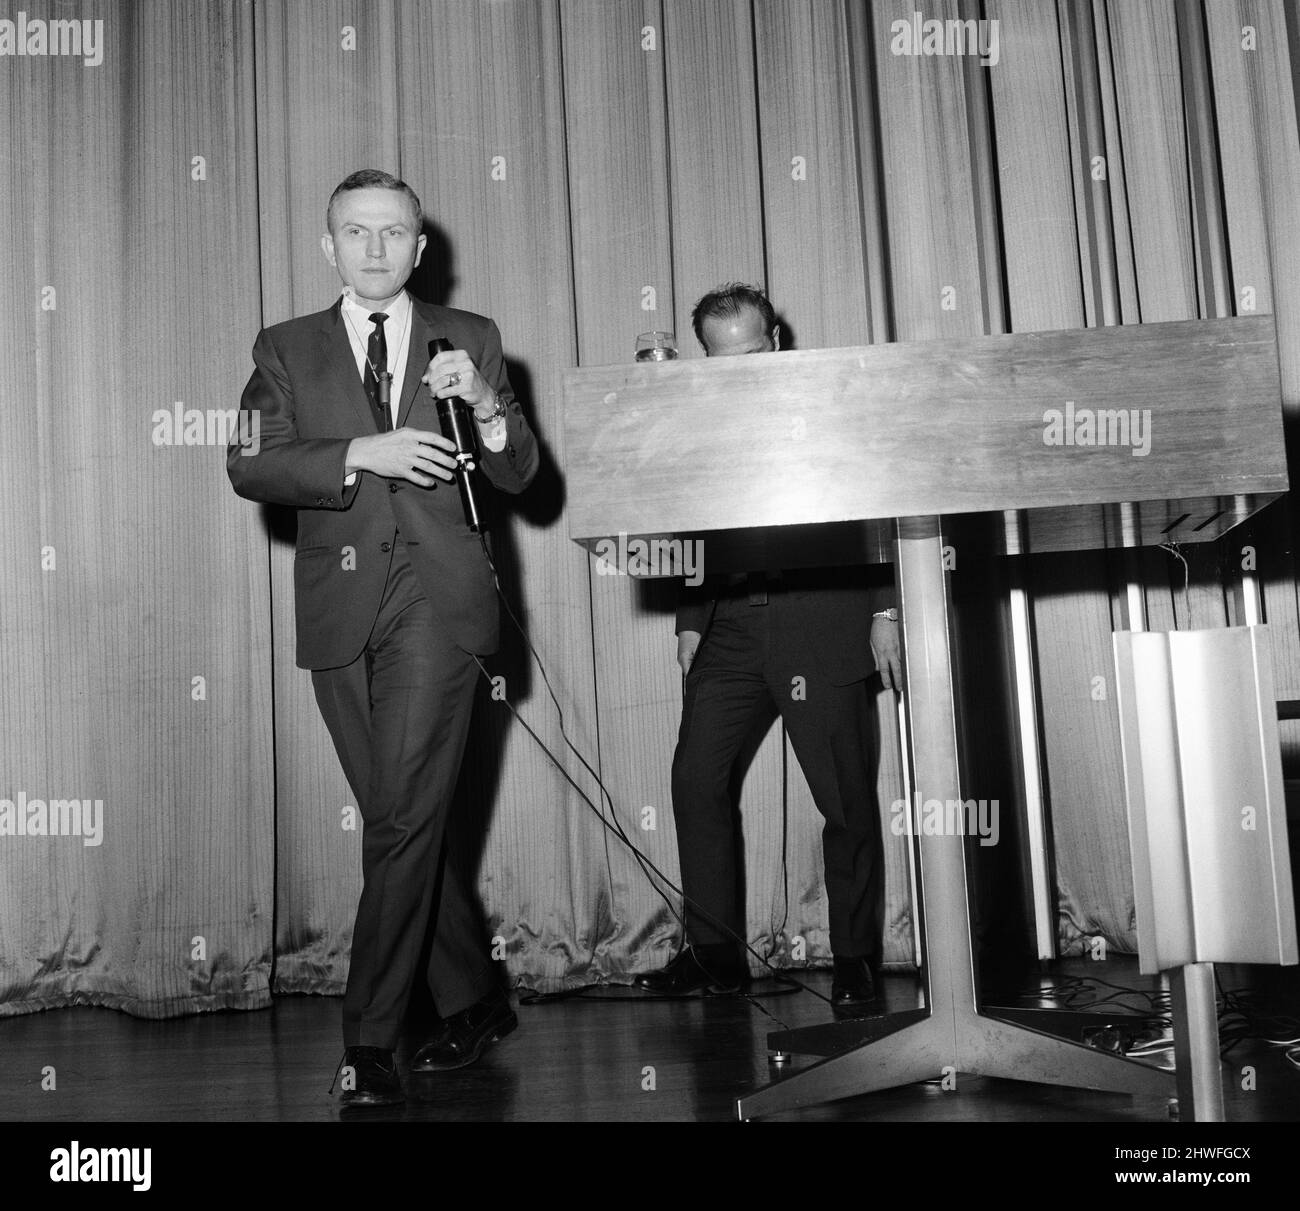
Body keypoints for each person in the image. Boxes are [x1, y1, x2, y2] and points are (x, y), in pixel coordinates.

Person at [228, 169, 538, 1106]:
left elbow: (523, 470)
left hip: (438, 605)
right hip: (341, 607)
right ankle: (476, 995)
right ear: (329, 247)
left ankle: (370, 1040)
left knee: (402, 817)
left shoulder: (471, 336)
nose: (374, 248)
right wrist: (360, 452)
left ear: (419, 246)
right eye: (355, 233)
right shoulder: (283, 347)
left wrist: (486, 404)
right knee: (402, 817)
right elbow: (247, 457)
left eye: (392, 232)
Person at [634, 283, 900, 1017]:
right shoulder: (696, 425)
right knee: (695, 780)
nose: (740, 371)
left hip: (820, 620)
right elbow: (689, 523)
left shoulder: (832, 405)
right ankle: (717, 957)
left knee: (844, 801)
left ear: (776, 342)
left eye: (752, 354)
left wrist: (886, 605)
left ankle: (854, 960)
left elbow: (885, 496)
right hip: (731, 629)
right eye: (723, 362)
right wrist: (690, 617)